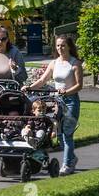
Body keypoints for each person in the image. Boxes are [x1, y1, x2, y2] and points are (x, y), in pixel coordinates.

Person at [34, 35, 84, 174]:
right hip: (55, 102)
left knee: (67, 134)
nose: (60, 48)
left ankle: (67, 165)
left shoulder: (75, 63)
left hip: (70, 101)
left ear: (69, 46)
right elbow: (43, 80)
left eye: (62, 45)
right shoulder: (54, 63)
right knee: (58, 134)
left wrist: (66, 91)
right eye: (57, 46)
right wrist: (28, 87)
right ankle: (72, 158)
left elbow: (79, 86)